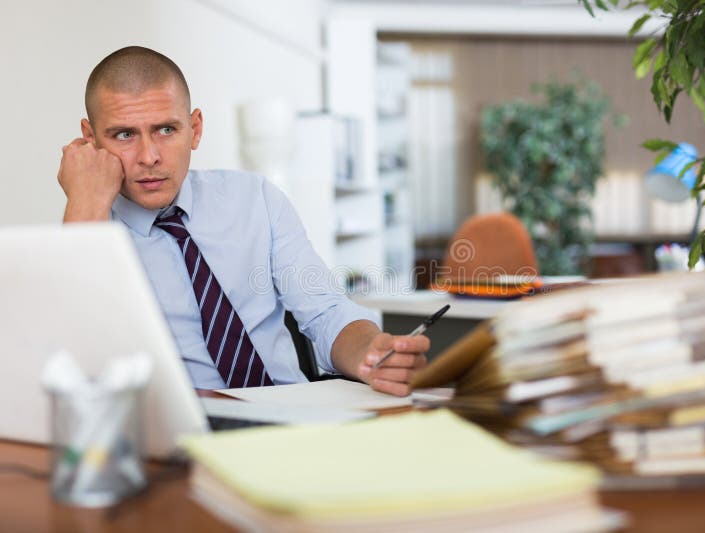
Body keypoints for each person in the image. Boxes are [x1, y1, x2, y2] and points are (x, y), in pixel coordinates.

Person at [57, 46, 428, 395]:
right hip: (182, 435)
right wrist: (85, 204)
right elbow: (74, 364)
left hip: (292, 414)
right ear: (91, 140)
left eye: (166, 130)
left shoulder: (256, 200)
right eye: (124, 135)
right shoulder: (88, 233)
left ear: (195, 129)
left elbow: (326, 310)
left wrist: (370, 353)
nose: (149, 156)